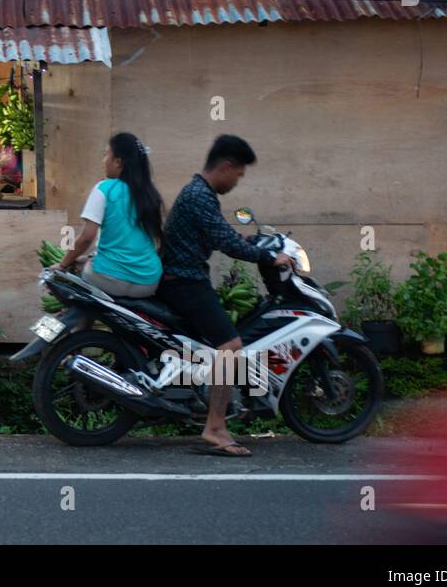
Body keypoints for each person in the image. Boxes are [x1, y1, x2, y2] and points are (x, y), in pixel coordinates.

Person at [157, 134, 292, 458]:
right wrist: (270, 258)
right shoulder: (199, 196)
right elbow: (227, 244)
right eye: (239, 174)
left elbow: (219, 233)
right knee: (230, 346)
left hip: (183, 280)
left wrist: (247, 238)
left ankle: (209, 407)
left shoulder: (198, 194)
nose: (237, 181)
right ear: (226, 167)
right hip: (185, 284)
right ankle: (215, 427)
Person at [53, 132, 163, 297]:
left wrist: (62, 265)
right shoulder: (149, 193)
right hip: (149, 283)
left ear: (118, 162)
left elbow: (87, 237)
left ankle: (80, 322)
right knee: (86, 261)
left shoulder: (105, 188)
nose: (103, 161)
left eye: (106, 155)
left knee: (78, 275)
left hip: (110, 279)